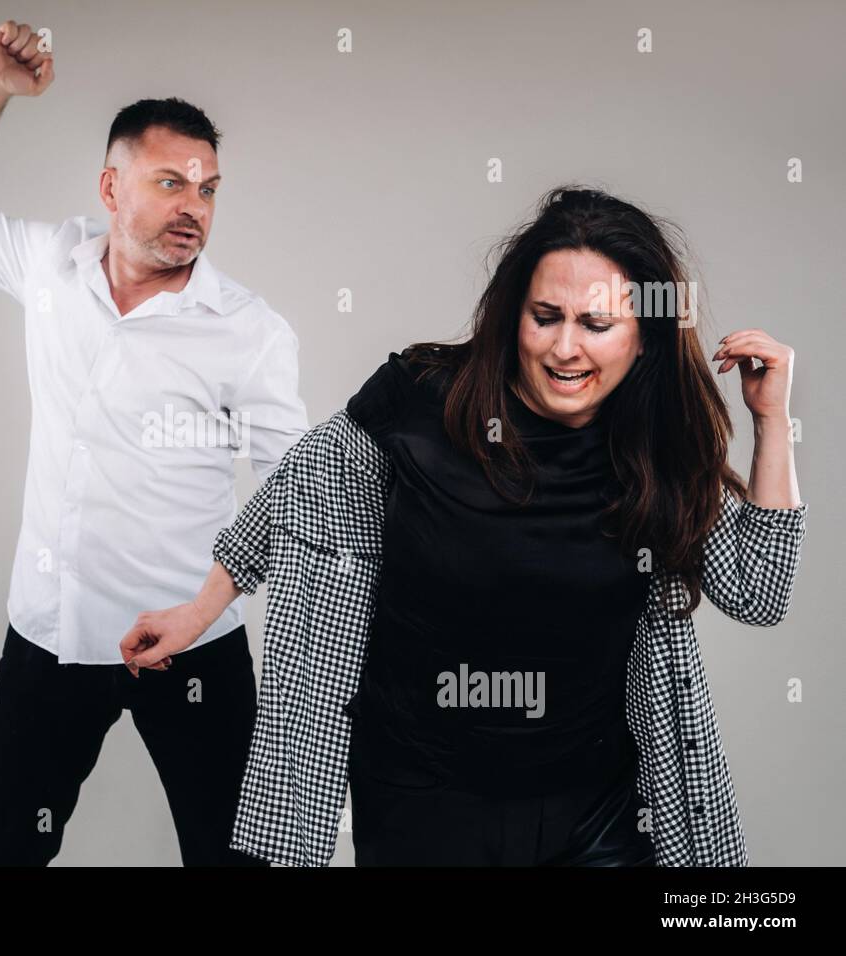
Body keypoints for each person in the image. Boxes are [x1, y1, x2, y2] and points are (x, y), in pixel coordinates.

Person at [122, 186, 807, 866]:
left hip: (594, 808)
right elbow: (299, 488)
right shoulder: (421, 400)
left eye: (596, 326)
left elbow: (758, 591)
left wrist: (771, 422)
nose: (566, 348)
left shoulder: (655, 449)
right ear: (515, 315)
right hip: (423, 802)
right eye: (545, 317)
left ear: (643, 338)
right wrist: (199, 612)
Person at [0, 20, 308, 865]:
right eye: (170, 183)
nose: (193, 209)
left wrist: (203, 609)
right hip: (50, 634)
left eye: (207, 190)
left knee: (233, 858)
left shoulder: (250, 331)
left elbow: (294, 494)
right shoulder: (50, 267)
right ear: (111, 186)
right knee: (7, 853)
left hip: (193, 645)